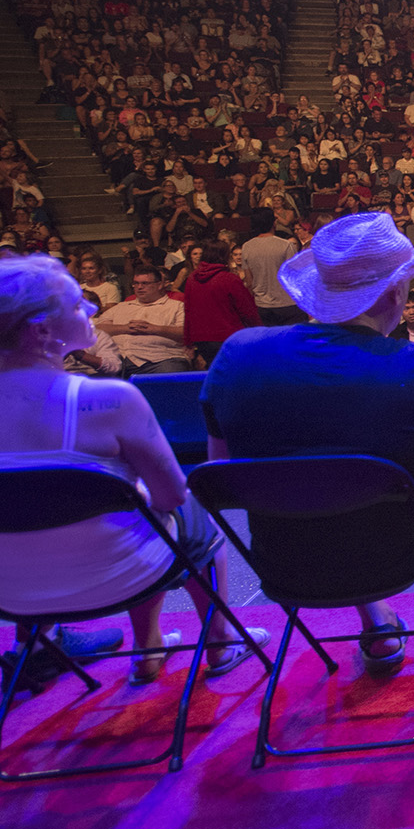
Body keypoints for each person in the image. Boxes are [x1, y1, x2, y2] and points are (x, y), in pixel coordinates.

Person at [201, 212, 414, 674]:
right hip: (404, 553)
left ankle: (379, 625)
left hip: (282, 562)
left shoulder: (238, 354)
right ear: (394, 292)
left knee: (327, 483)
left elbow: (220, 472)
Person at [0, 256, 264, 688]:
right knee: (193, 509)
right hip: (119, 575)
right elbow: (172, 499)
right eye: (74, 303)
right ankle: (217, 642)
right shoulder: (113, 401)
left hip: (11, 596)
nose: (89, 310)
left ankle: (137, 647)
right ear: (41, 331)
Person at [96, 266, 190, 376]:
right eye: (136, 283)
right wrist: (126, 328)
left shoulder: (176, 307)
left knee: (170, 374)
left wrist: (154, 329)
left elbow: (185, 333)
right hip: (119, 359)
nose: (139, 287)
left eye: (145, 283)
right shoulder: (121, 307)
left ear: (159, 285)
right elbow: (98, 329)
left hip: (161, 359)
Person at [183, 238, 261, 365]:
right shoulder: (229, 279)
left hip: (201, 338)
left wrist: (187, 340)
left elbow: (188, 310)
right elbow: (247, 310)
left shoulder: (192, 278)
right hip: (228, 336)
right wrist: (259, 331)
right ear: (225, 256)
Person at [241, 207, 303, 326]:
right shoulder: (286, 245)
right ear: (274, 222)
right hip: (288, 305)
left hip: (262, 306)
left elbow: (249, 281)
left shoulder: (246, 247)